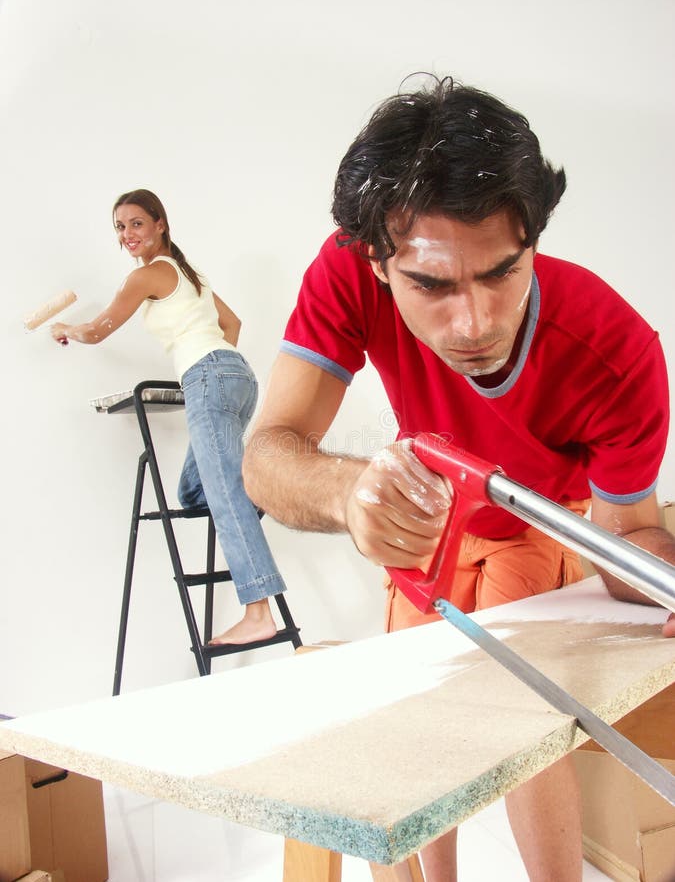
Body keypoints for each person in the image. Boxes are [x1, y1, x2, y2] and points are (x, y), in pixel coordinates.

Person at [242, 76, 675, 881]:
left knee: (521, 721)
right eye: (431, 285)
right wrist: (345, 493)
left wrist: (665, 575)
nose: (472, 323)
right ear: (375, 260)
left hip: (535, 529)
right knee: (413, 725)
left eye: (501, 273)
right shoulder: (344, 272)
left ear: (531, 240)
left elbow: (625, 543)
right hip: (428, 523)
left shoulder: (618, 353)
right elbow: (266, 453)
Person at [51, 188, 287, 646]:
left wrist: (65, 329)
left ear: (160, 223)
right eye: (120, 227)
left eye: (136, 223)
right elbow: (231, 325)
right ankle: (259, 489)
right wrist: (216, 372)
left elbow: (98, 330)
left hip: (211, 378)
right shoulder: (188, 274)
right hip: (236, 376)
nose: (127, 234)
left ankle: (258, 612)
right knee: (194, 491)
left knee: (223, 496)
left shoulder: (147, 276)